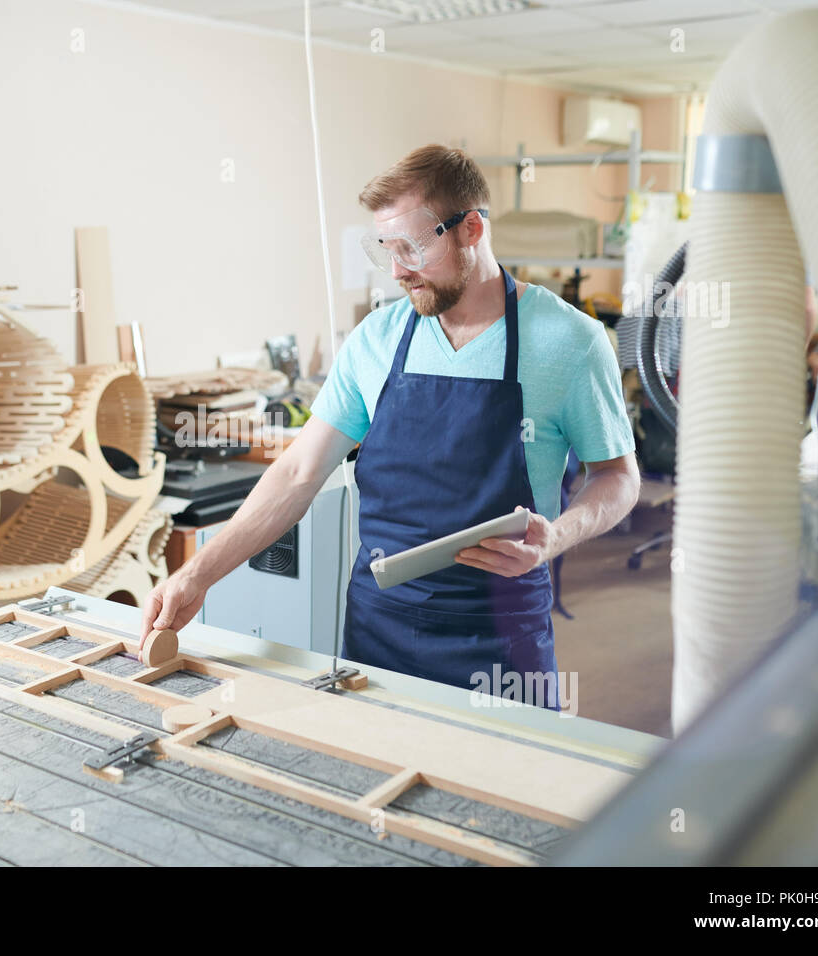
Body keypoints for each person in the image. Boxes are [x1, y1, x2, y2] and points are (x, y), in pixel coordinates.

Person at [141, 146, 639, 708]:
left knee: (500, 789)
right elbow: (299, 473)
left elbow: (618, 476)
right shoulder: (376, 340)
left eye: (413, 248)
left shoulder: (569, 341)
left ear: (471, 228)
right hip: (381, 628)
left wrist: (560, 536)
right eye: (387, 249)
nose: (398, 269)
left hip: (499, 634)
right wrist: (198, 575)